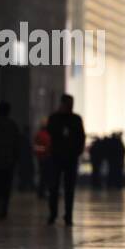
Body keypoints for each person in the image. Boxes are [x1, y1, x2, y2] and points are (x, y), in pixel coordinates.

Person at [46, 93, 85, 225]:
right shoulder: (54, 118)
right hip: (56, 157)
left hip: (70, 158)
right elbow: (50, 132)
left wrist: (77, 152)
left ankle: (68, 216)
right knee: (54, 187)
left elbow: (81, 137)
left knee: (69, 189)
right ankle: (53, 214)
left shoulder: (76, 119)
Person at [33, 120, 52, 199]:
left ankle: (42, 192)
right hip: (46, 158)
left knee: (43, 176)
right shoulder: (47, 135)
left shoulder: (39, 134)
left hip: (41, 158)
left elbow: (36, 147)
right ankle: (43, 192)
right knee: (46, 176)